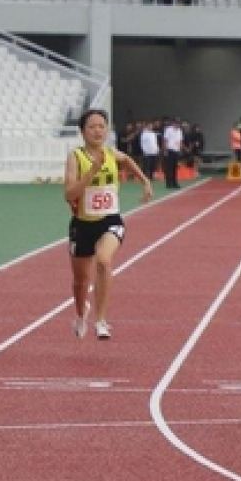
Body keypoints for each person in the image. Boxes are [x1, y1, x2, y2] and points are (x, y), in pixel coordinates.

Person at [63, 109, 153, 340]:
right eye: (92, 126)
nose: (97, 131)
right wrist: (92, 170)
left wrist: (145, 182)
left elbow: (128, 160)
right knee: (80, 282)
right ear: (82, 131)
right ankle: (81, 313)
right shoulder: (76, 157)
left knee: (103, 261)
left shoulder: (112, 154)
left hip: (110, 221)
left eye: (102, 126)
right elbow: (69, 194)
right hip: (82, 225)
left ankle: (101, 320)